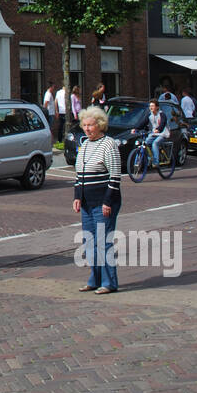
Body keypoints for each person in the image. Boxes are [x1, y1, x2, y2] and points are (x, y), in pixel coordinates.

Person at [73, 105, 122, 294]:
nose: (87, 129)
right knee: (90, 242)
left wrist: (108, 202)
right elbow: (79, 175)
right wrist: (77, 197)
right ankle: (95, 279)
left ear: (100, 125)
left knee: (104, 242)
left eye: (91, 125)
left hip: (103, 202)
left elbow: (115, 176)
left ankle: (109, 282)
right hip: (87, 203)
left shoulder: (109, 144)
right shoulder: (84, 144)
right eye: (84, 125)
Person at [143, 98, 170, 166]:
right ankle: (149, 158)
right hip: (154, 134)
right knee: (146, 143)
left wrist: (159, 129)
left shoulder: (161, 114)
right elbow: (143, 123)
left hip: (163, 133)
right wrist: (136, 128)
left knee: (155, 143)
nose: (151, 107)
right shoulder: (150, 115)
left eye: (152, 106)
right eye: (150, 106)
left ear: (157, 107)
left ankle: (156, 161)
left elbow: (163, 123)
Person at [43, 81, 59, 146]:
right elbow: (46, 103)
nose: (54, 88)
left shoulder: (49, 93)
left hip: (50, 113)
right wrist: (45, 111)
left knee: (50, 127)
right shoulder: (48, 94)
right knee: (49, 127)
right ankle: (50, 141)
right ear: (51, 87)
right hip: (49, 113)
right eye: (53, 87)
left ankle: (50, 141)